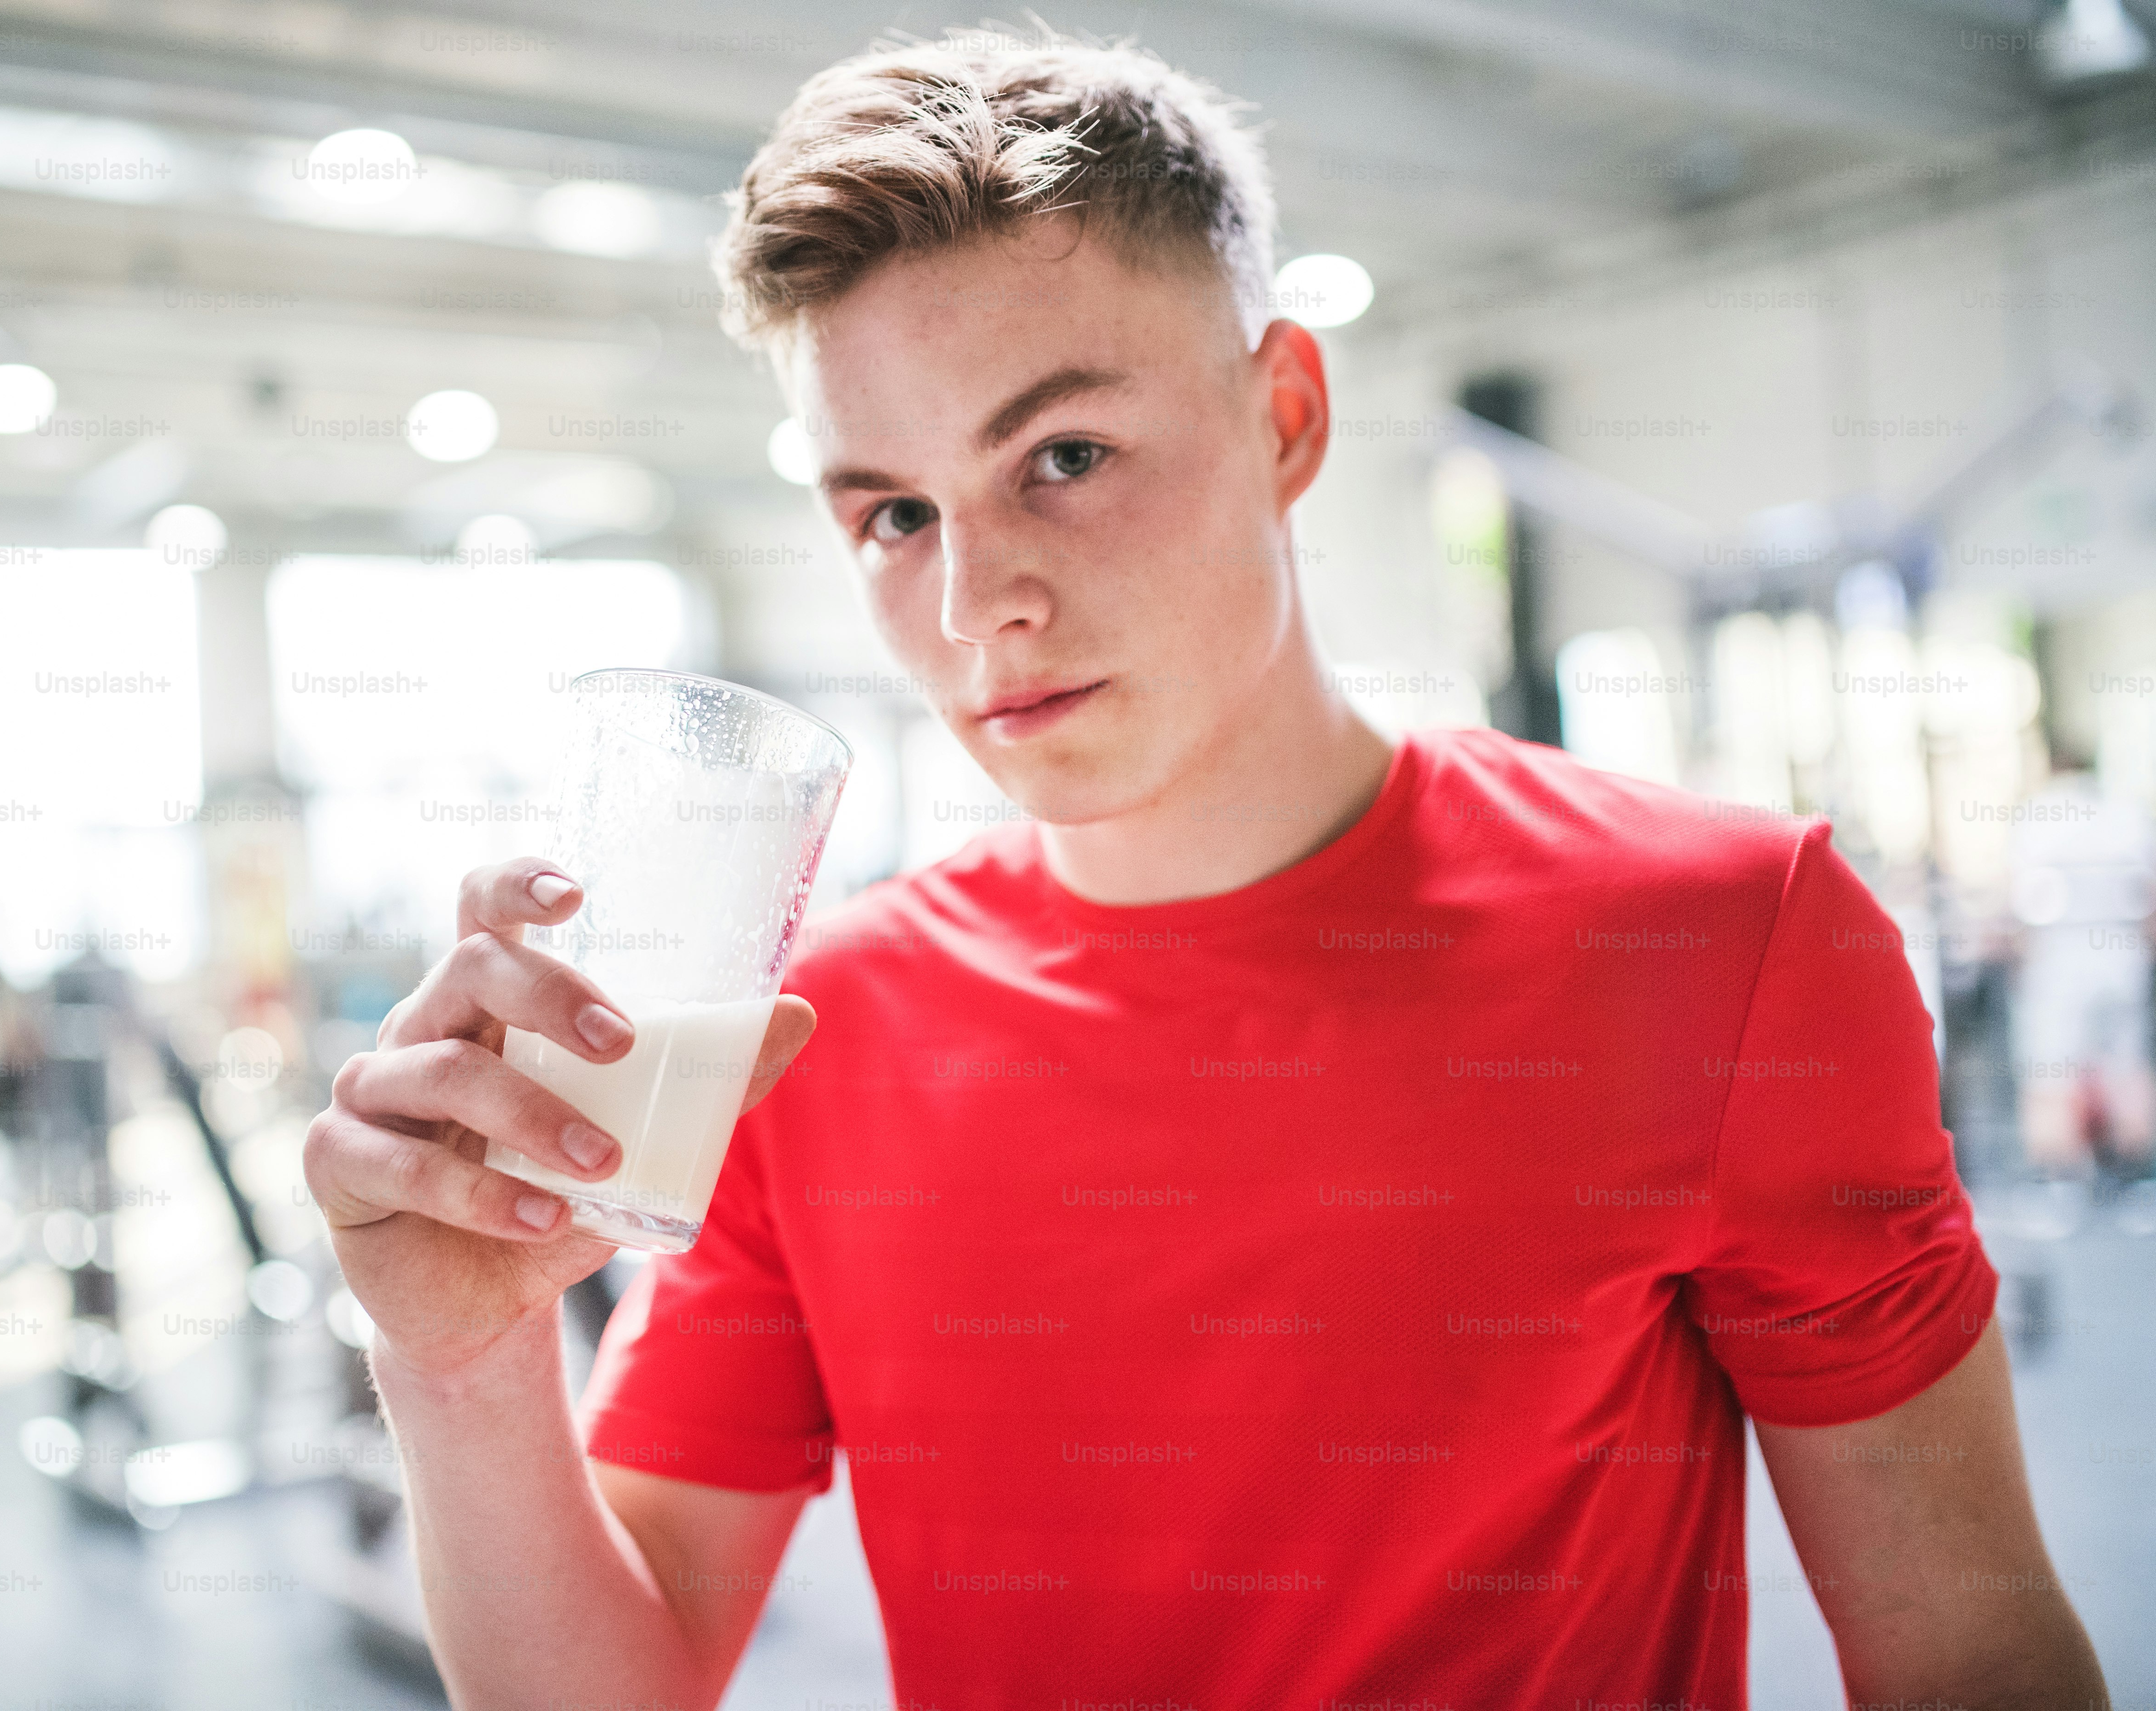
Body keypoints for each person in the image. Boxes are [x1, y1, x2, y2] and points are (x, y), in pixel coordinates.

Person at [304, 29, 2105, 1709]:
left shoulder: (1724, 940)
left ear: (1287, 419)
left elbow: (1967, 1654)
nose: (972, 601)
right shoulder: (812, 1032)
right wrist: (460, 1366)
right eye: (893, 511)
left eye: (1064, 455)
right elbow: (624, 1675)